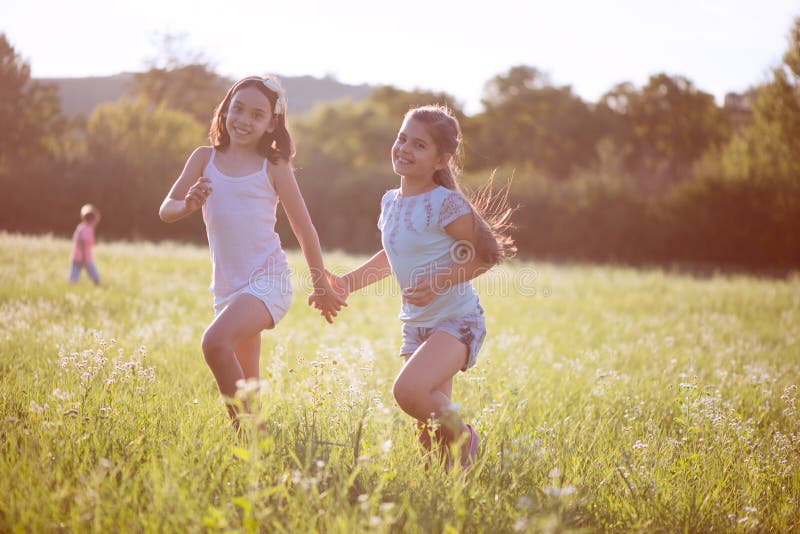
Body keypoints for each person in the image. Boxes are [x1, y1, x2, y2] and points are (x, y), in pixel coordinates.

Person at [312, 105, 516, 470]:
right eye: (402, 138)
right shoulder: (390, 201)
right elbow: (393, 255)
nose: (404, 148)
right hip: (416, 325)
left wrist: (439, 281)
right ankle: (456, 488)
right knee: (430, 434)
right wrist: (346, 283)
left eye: (419, 145)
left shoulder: (445, 204)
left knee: (408, 392)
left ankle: (468, 436)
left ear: (441, 159)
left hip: (457, 321)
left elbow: (486, 255)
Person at [159, 75, 345, 428]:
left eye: (256, 115)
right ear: (225, 110)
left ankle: (251, 433)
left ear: (271, 124)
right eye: (237, 109)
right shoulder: (203, 158)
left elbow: (304, 228)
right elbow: (166, 209)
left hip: (267, 281)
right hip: (228, 288)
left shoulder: (273, 167)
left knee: (214, 344)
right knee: (247, 387)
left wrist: (321, 285)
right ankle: (254, 454)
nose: (244, 120)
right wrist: (188, 204)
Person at [69, 203, 101, 285]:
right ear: (92, 220)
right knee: (94, 275)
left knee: (74, 275)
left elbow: (75, 239)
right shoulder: (89, 229)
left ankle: (72, 284)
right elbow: (84, 242)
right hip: (85, 257)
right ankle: (97, 283)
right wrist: (83, 256)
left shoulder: (80, 227)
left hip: (76, 256)